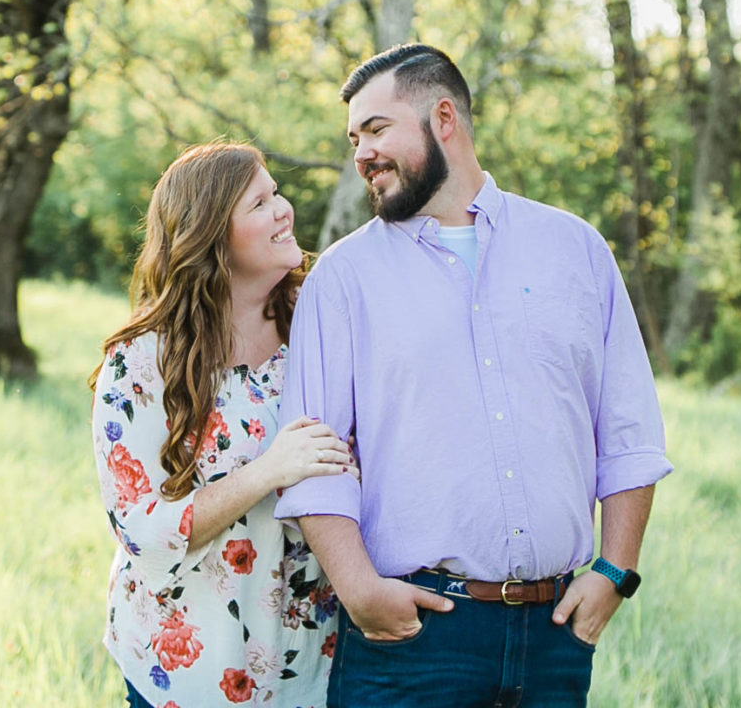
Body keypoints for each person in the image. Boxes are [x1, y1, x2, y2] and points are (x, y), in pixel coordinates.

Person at [275, 44, 673, 708]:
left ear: (444, 118)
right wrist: (359, 590)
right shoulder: (344, 280)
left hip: (554, 638)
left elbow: (628, 431)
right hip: (411, 640)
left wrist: (615, 571)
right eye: (353, 139)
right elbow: (315, 459)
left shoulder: (575, 250)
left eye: (376, 130)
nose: (361, 153)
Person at [91, 142, 354, 708]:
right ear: (213, 237)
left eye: (276, 193)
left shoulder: (320, 325)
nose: (284, 209)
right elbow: (141, 529)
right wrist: (267, 472)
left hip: (310, 659)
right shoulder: (142, 362)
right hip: (182, 664)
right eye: (261, 203)